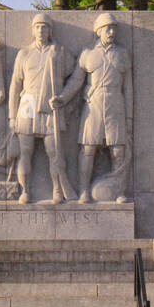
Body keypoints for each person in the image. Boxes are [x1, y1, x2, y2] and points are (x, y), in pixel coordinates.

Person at [52, 11, 133, 203]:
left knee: (118, 150)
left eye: (113, 28)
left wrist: (129, 117)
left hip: (115, 103)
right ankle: (84, 190)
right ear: (98, 31)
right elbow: (76, 80)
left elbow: (128, 88)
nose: (111, 32)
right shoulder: (88, 53)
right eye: (107, 29)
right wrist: (62, 98)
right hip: (93, 104)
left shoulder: (123, 54)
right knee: (88, 149)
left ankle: (119, 191)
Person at [7, 13, 75, 204]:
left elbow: (75, 75)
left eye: (44, 27)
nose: (40, 30)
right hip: (27, 104)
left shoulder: (60, 52)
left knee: (54, 153)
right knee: (25, 151)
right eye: (37, 27)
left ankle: (57, 190)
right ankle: (25, 191)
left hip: (49, 105)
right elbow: (15, 86)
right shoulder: (24, 54)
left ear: (50, 30)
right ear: (33, 30)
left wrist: (62, 97)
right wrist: (12, 117)